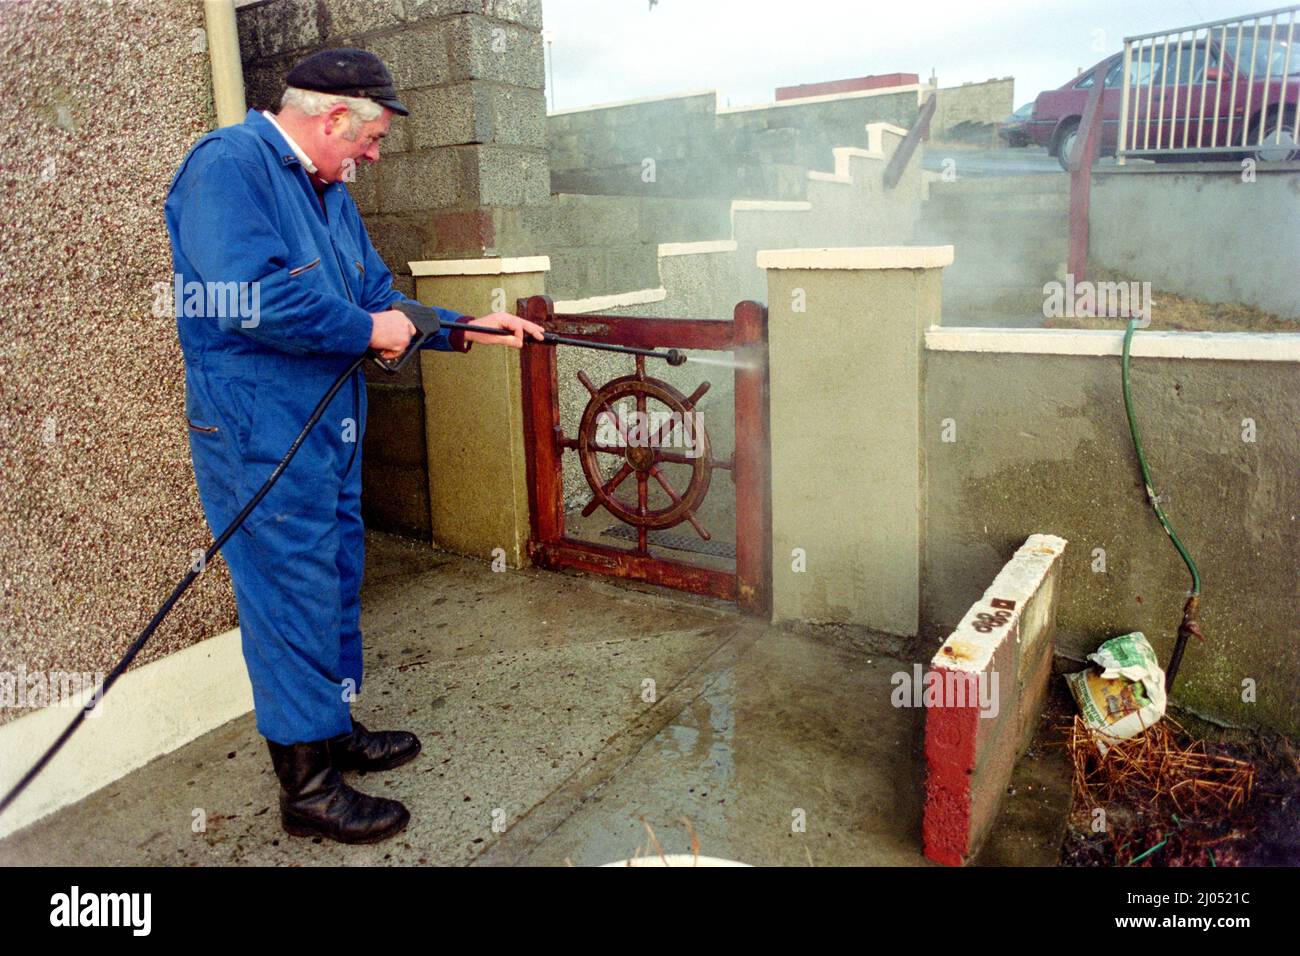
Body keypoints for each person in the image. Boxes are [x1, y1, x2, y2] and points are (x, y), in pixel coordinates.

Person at [163, 48, 544, 845]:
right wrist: (367, 331)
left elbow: (373, 294)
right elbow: (245, 297)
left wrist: (466, 324)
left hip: (328, 424)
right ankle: (307, 791)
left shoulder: (330, 190)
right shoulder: (227, 166)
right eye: (369, 140)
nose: (372, 157)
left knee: (336, 571)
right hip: (258, 433)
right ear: (334, 117)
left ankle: (330, 729)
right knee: (289, 593)